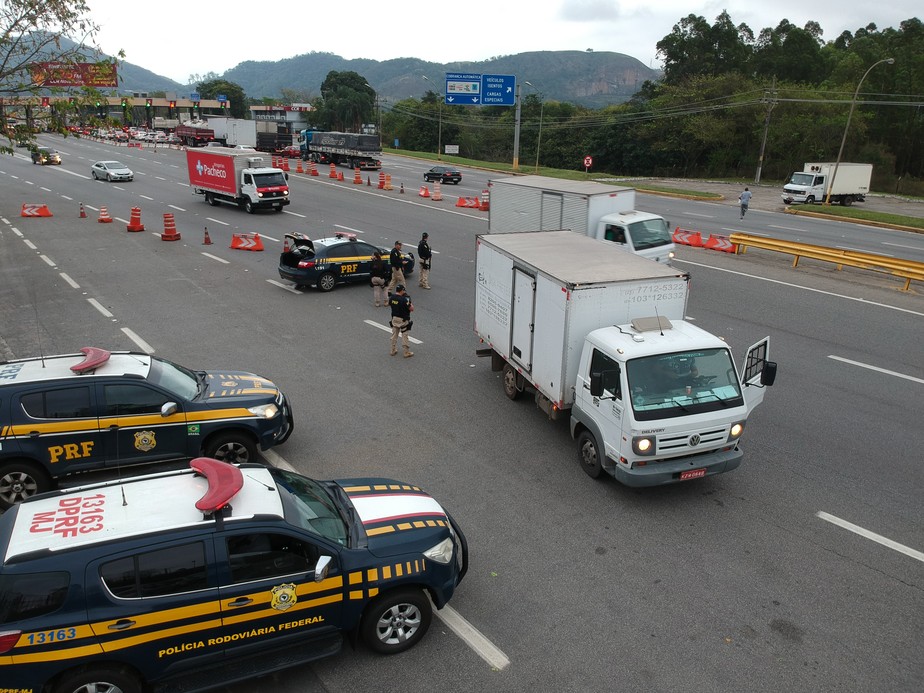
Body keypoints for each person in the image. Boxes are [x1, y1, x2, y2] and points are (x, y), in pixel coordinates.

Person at [389, 285, 414, 357]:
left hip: (394, 319)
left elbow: (390, 304)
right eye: (404, 290)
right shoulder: (404, 299)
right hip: (403, 320)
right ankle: (406, 352)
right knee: (404, 335)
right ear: (402, 290)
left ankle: (392, 350)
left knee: (394, 335)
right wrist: (409, 302)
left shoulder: (392, 297)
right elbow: (411, 309)